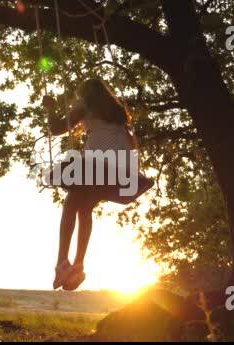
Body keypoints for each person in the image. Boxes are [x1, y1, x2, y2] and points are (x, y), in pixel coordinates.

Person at [42, 78, 153, 291]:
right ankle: (78, 263)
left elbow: (56, 128)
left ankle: (62, 262)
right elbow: (129, 142)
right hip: (122, 171)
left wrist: (50, 109)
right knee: (85, 208)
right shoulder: (119, 112)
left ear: (86, 94)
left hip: (98, 165)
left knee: (71, 203)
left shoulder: (86, 106)